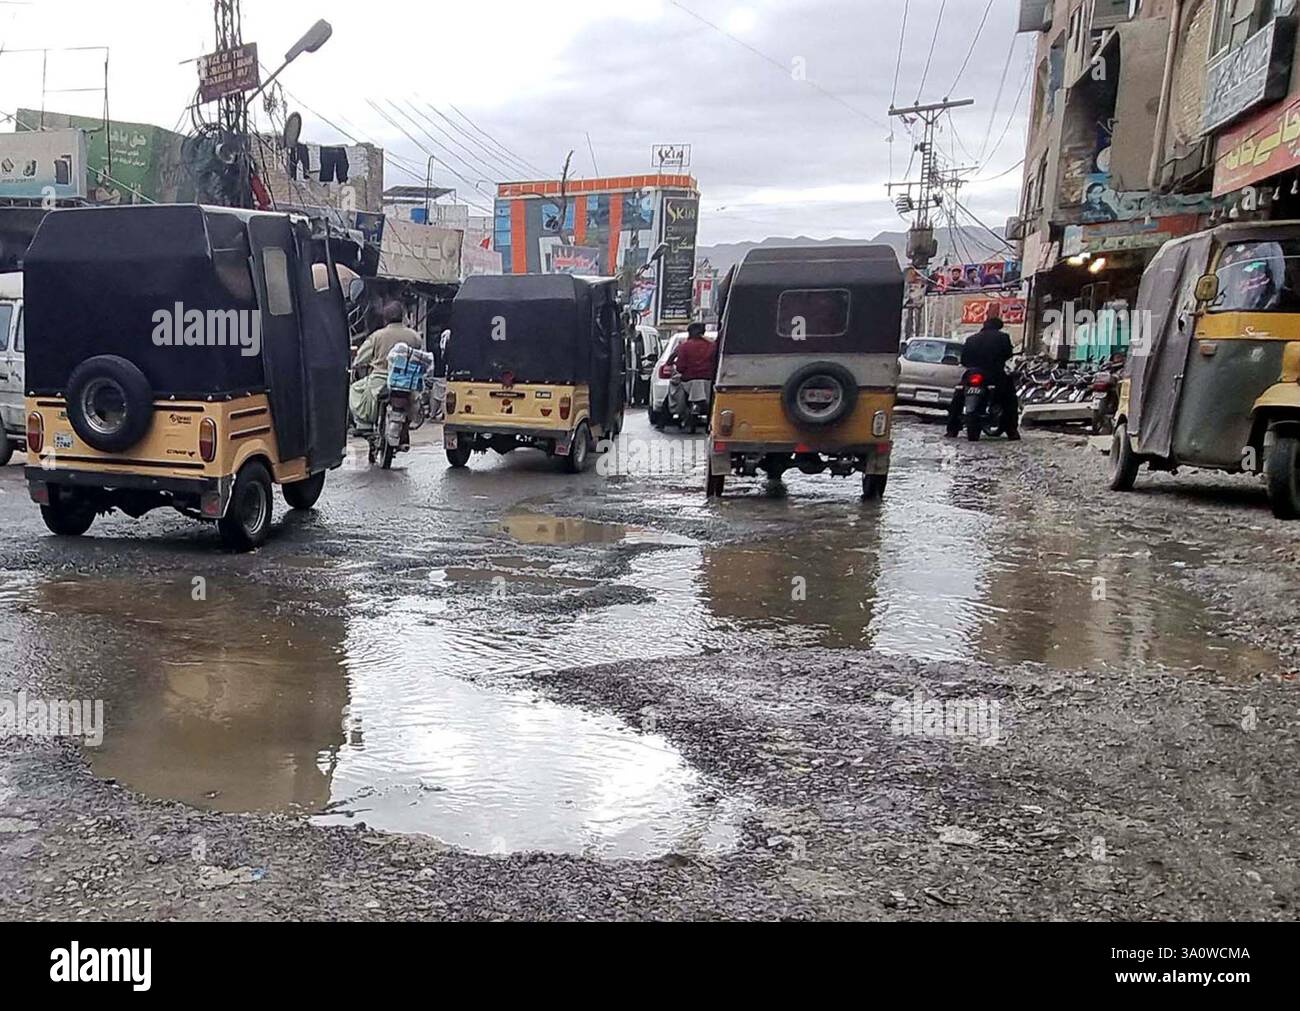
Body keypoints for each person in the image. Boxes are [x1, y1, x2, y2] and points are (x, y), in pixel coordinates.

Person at [349, 301, 425, 429]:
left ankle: (364, 424)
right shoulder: (414, 336)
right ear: (403, 316)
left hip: (380, 379)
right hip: (407, 381)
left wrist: (357, 363)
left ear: (385, 318)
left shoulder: (377, 336)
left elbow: (361, 358)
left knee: (354, 389)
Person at [946, 317, 1021, 440]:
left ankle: (952, 429)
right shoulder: (1003, 337)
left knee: (958, 397)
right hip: (994, 374)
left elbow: (964, 360)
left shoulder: (971, 339)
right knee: (1009, 399)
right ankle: (1011, 430)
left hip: (972, 373)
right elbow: (1008, 354)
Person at [665, 323, 717, 416]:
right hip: (708, 380)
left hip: (688, 380)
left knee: (674, 386)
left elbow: (680, 367)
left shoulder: (684, 346)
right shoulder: (712, 345)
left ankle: (677, 410)